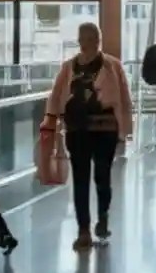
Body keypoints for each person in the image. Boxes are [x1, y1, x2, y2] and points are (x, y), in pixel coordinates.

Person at [43, 22, 133, 249]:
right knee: (81, 180)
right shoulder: (68, 68)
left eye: (93, 37)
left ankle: (102, 217)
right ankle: (83, 229)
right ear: (80, 40)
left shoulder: (113, 66)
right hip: (77, 131)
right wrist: (50, 122)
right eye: (85, 37)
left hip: (106, 130)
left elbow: (124, 99)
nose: (89, 41)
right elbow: (55, 97)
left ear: (98, 40)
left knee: (103, 177)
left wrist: (125, 132)